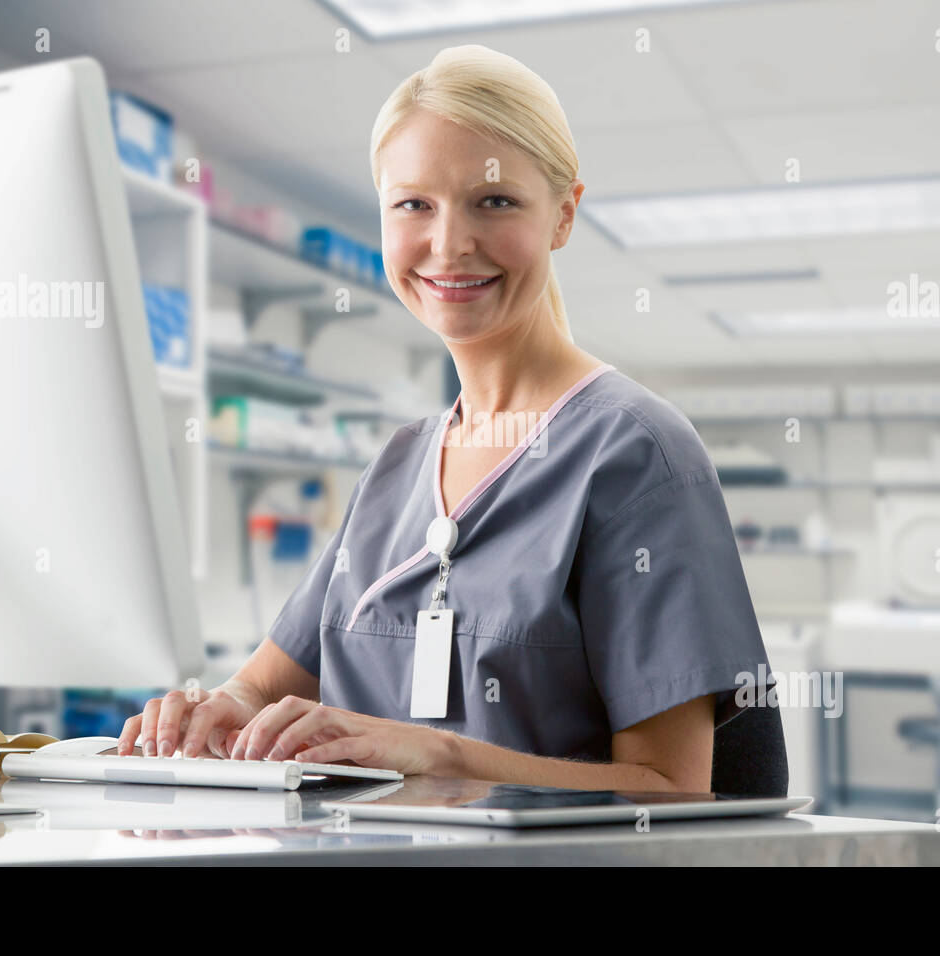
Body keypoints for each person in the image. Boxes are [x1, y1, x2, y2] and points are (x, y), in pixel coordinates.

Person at [119, 44, 779, 793]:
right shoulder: (397, 467)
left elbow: (672, 788)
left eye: (494, 201)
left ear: (563, 216)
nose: (448, 243)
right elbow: (258, 686)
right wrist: (211, 710)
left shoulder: (637, 452)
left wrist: (439, 753)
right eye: (413, 205)